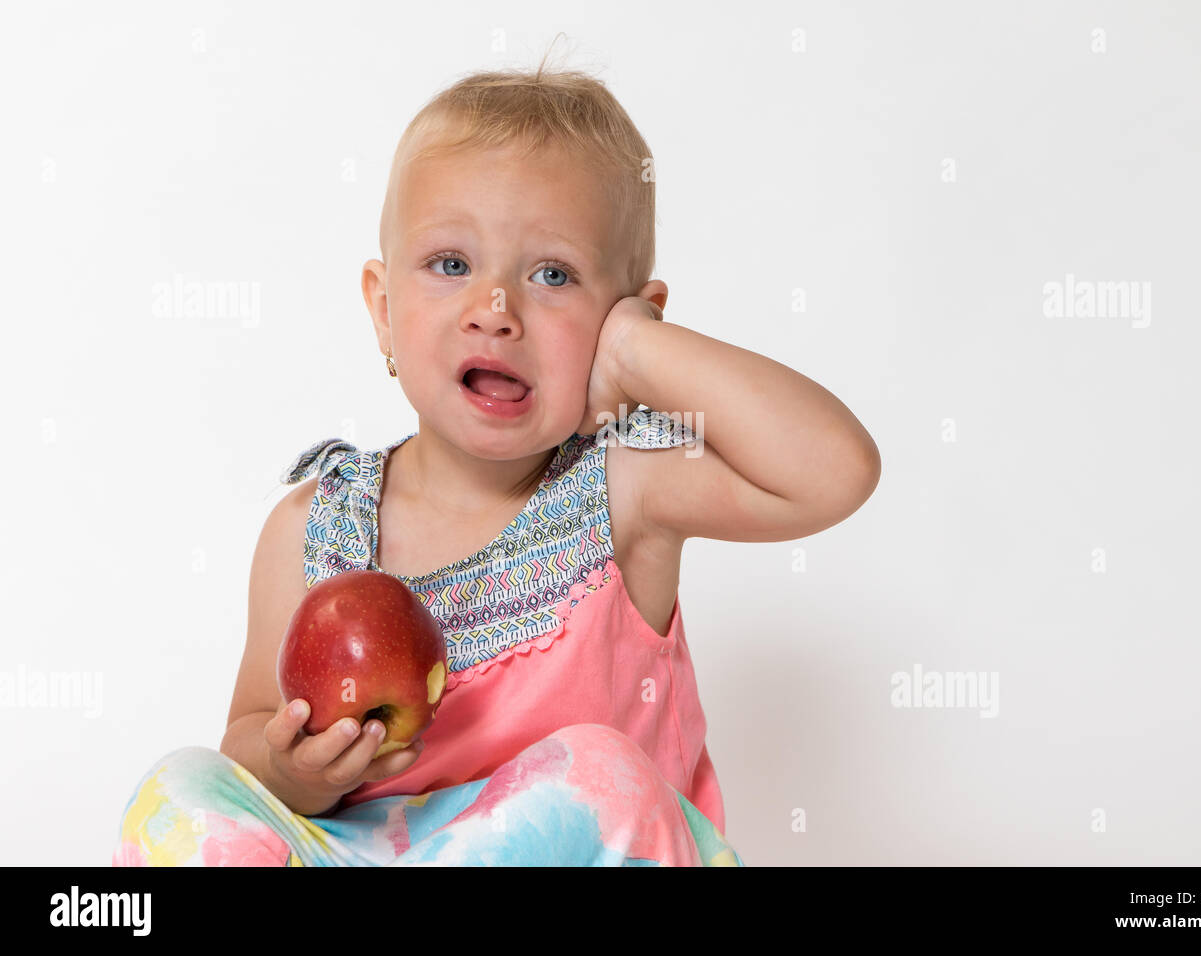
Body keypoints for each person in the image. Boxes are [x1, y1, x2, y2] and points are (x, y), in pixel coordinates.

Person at [113, 56, 881, 867]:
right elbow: (251, 744)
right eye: (451, 265)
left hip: (574, 848)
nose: (496, 311)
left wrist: (634, 352)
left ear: (633, 315)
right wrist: (294, 771)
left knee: (605, 773)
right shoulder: (314, 529)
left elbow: (834, 469)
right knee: (181, 790)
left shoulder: (627, 492)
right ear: (383, 310)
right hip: (369, 855)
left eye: (553, 276)